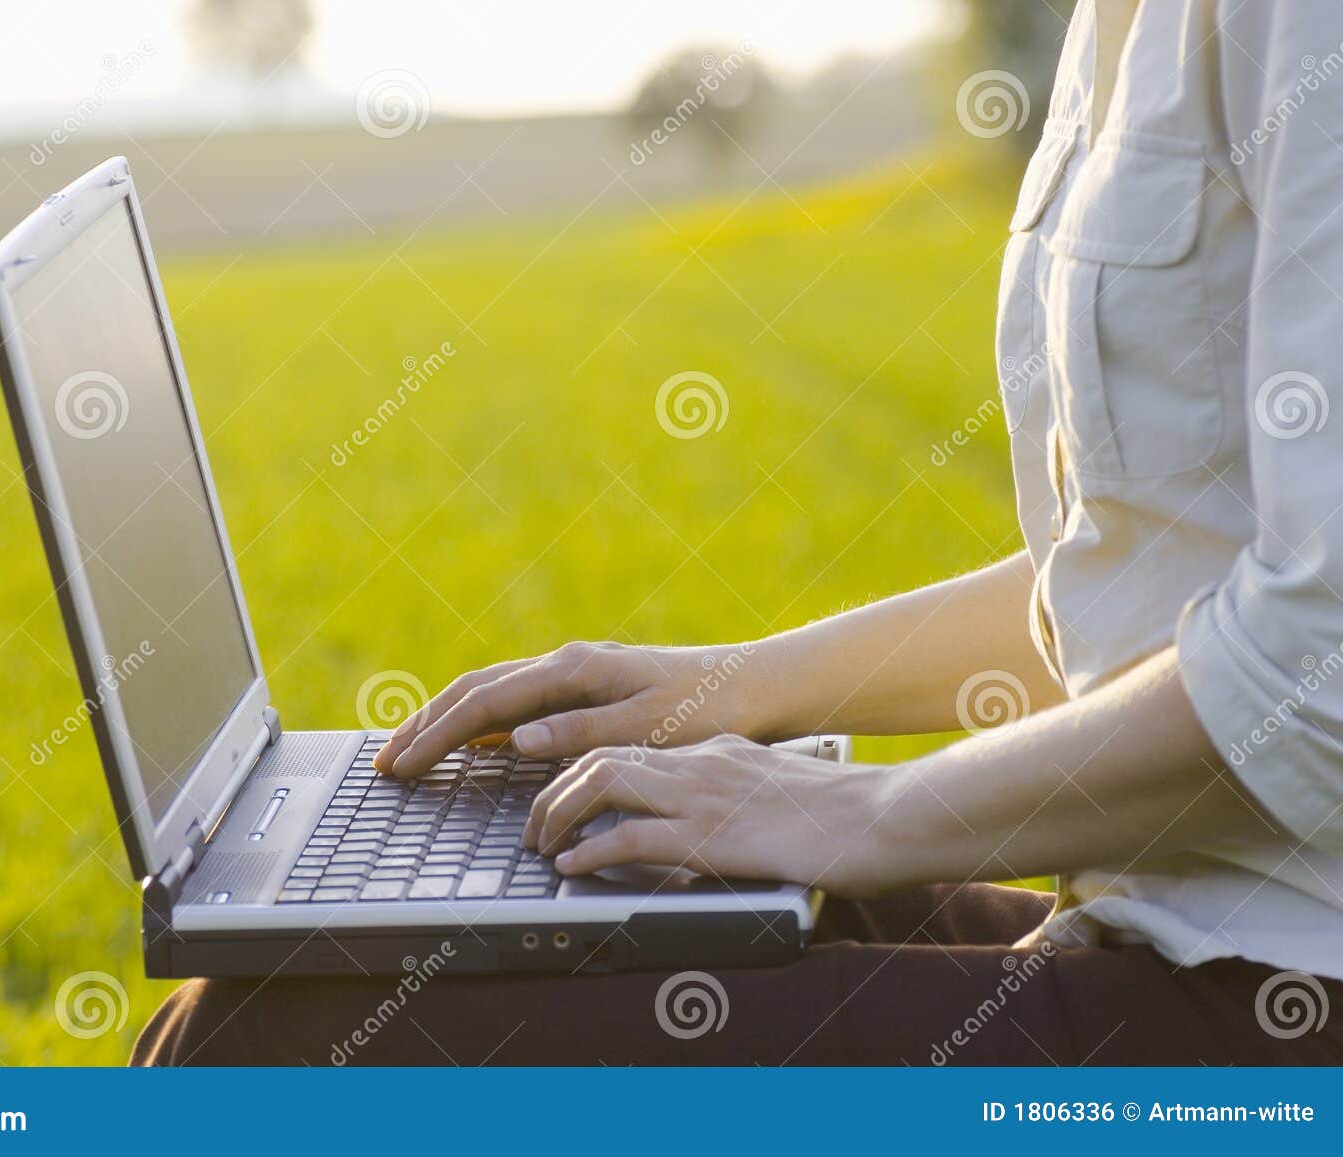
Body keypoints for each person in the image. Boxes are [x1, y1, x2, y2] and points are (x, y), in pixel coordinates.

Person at [134, 0, 1343, 1065]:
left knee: (274, 1048)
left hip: (1274, 1017)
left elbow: (1318, 658)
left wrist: (861, 811)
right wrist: (727, 689)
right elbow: (1147, 582)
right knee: (348, 970)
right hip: (1153, 928)